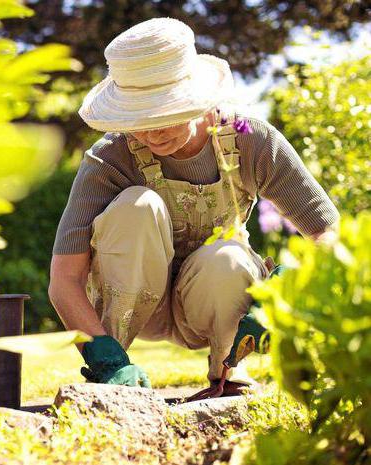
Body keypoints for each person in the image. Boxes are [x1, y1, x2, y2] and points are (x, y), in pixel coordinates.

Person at [48, 17, 340, 393]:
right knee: (138, 206)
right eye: (139, 117)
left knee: (229, 257)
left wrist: (287, 288)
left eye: (165, 113)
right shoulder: (110, 160)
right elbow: (64, 280)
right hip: (134, 304)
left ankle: (227, 369)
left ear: (196, 99)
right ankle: (118, 378)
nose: (153, 131)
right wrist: (101, 353)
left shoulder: (252, 142)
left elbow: (328, 234)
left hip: (218, 300)